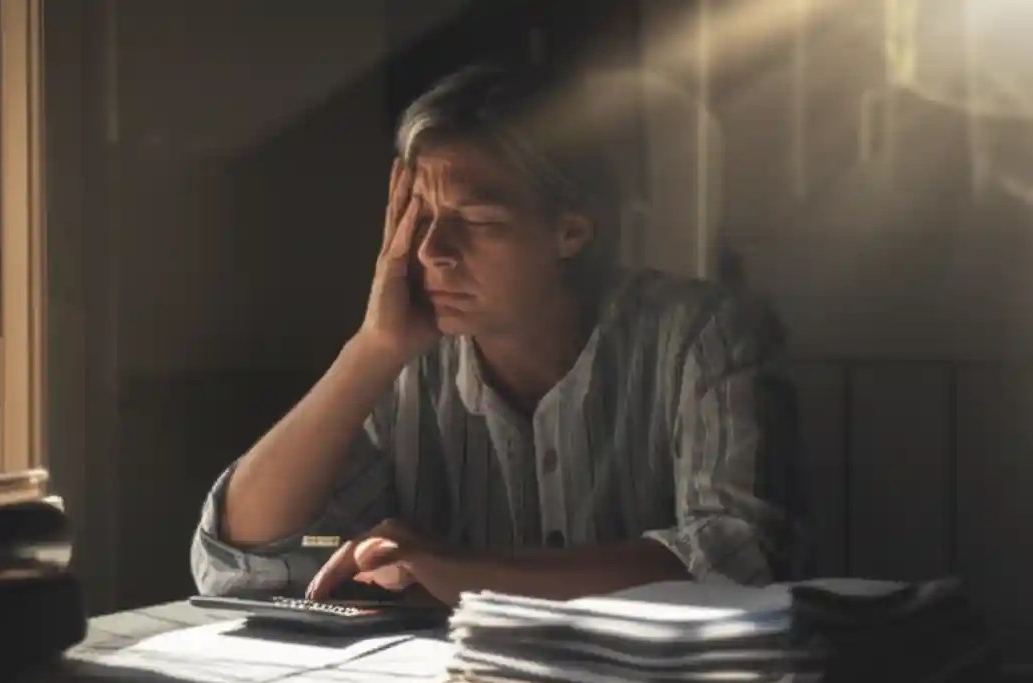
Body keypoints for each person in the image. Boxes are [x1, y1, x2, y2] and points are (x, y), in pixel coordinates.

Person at [190, 64, 799, 606]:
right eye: (419, 219)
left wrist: (461, 570)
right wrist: (371, 348)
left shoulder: (704, 336)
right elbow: (237, 562)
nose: (432, 251)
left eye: (477, 221)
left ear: (570, 232)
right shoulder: (406, 363)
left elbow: (738, 556)